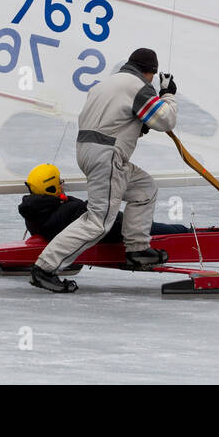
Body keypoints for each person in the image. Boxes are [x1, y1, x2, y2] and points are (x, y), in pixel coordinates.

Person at [30, 47, 177, 293]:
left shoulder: (105, 84)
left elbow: (113, 119)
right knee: (98, 222)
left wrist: (138, 125)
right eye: (153, 75)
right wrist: (167, 95)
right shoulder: (140, 87)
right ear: (150, 72)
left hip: (89, 152)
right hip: (108, 156)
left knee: (145, 188)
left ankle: (138, 249)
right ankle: (44, 268)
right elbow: (165, 120)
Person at [18, 164, 214, 243]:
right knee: (171, 231)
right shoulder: (68, 209)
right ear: (50, 188)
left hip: (111, 230)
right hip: (119, 232)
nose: (62, 185)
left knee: (165, 228)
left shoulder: (35, 214)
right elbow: (99, 209)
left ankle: (208, 231)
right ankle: (211, 234)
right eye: (59, 183)